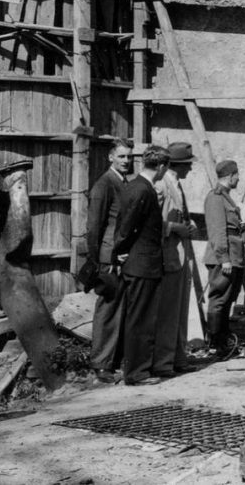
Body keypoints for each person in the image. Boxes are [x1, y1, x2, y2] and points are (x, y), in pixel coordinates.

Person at [113, 145, 170, 386]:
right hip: (142, 264)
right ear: (161, 167)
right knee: (141, 319)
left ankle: (137, 369)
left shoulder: (135, 186)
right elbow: (126, 226)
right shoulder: (143, 190)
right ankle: (137, 373)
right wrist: (119, 252)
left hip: (140, 263)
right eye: (165, 167)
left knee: (140, 317)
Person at [86, 138, 133, 383]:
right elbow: (94, 227)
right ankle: (101, 364)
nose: (126, 161)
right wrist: (99, 260)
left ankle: (114, 360)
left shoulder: (123, 182)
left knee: (120, 309)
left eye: (129, 157)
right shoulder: (104, 184)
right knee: (108, 309)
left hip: (121, 256)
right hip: (109, 258)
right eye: (122, 156)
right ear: (111, 157)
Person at [152, 142, 199, 377]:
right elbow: (153, 224)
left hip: (180, 254)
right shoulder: (160, 186)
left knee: (180, 310)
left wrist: (188, 224)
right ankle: (162, 363)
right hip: (168, 255)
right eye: (188, 164)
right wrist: (177, 228)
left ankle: (178, 358)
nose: (191, 169)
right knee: (168, 312)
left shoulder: (176, 184)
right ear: (177, 165)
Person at [203, 160, 245, 358]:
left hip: (233, 257)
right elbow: (217, 230)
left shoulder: (226, 197)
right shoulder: (216, 197)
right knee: (219, 300)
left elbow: (230, 228)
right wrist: (224, 259)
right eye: (237, 175)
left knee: (227, 299)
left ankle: (222, 341)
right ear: (230, 176)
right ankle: (214, 344)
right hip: (224, 258)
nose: (239, 178)